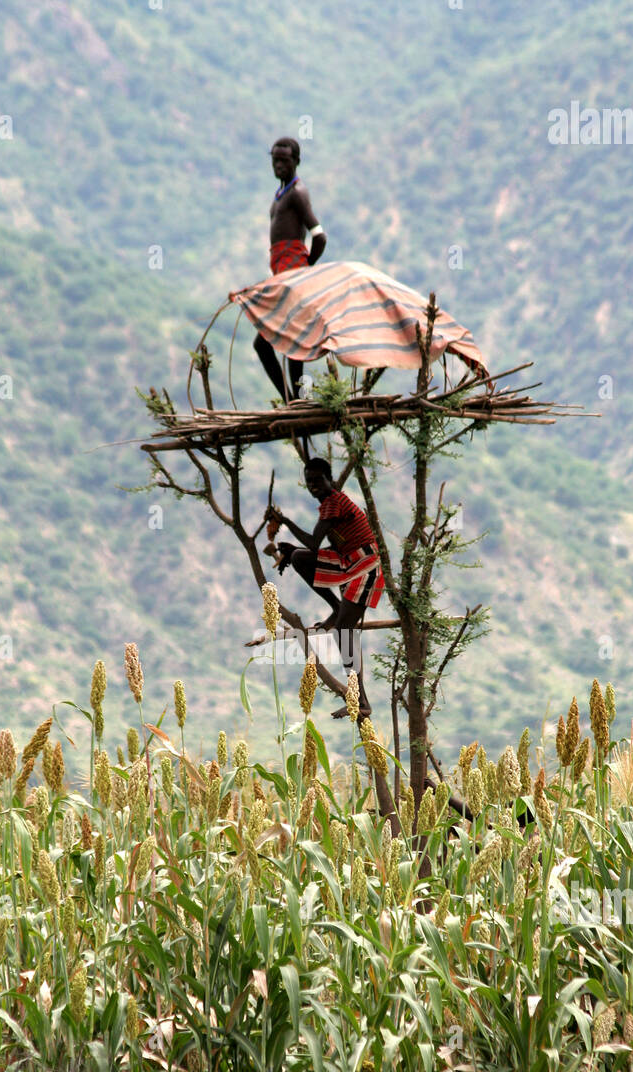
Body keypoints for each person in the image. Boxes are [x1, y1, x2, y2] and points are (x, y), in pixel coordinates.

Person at [270, 457, 383, 718]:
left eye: (318, 480)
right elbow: (314, 549)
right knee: (298, 558)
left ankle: (360, 701)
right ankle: (335, 607)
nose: (313, 486)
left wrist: (285, 521)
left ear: (330, 479)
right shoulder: (330, 504)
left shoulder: (334, 503)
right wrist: (294, 550)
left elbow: (312, 542)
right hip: (349, 562)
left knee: (344, 629)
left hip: (364, 567)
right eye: (309, 482)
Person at [254, 138, 327, 402]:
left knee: (268, 343)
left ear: (297, 161)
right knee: (288, 339)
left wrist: (304, 269)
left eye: (285, 160)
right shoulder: (280, 195)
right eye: (275, 159)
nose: (279, 164)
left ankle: (293, 400)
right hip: (282, 273)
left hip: (292, 275)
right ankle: (294, 400)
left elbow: (319, 236)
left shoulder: (297, 193)